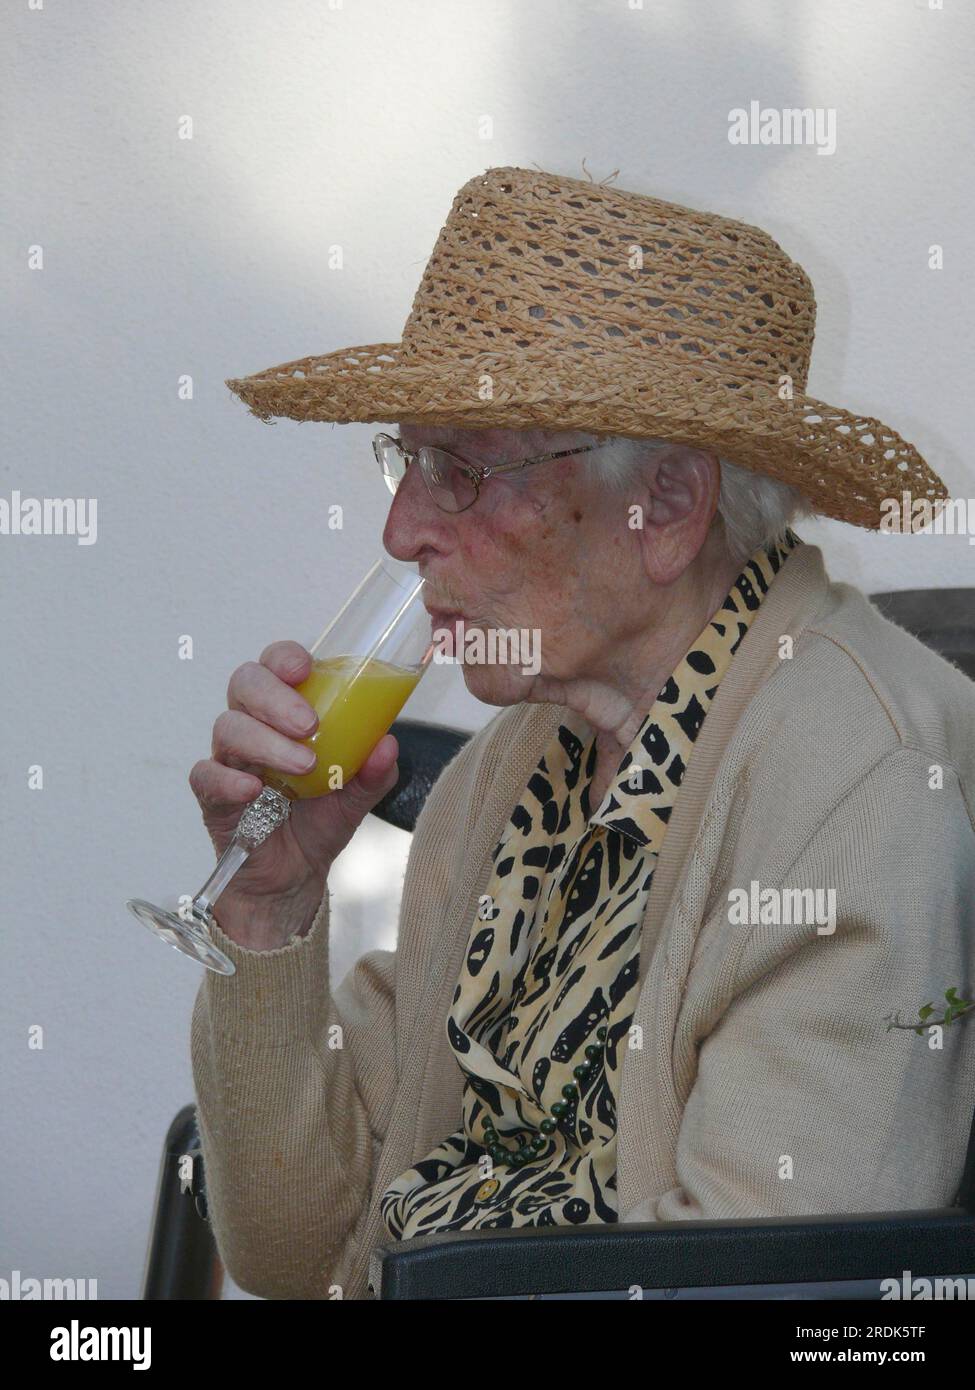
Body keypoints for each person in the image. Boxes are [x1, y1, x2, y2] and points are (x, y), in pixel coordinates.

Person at [190, 166, 975, 1299]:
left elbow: (768, 1303)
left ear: (666, 505)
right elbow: (295, 1259)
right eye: (407, 460)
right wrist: (265, 902)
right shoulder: (524, 763)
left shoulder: (860, 790)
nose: (401, 527)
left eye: (461, 470)